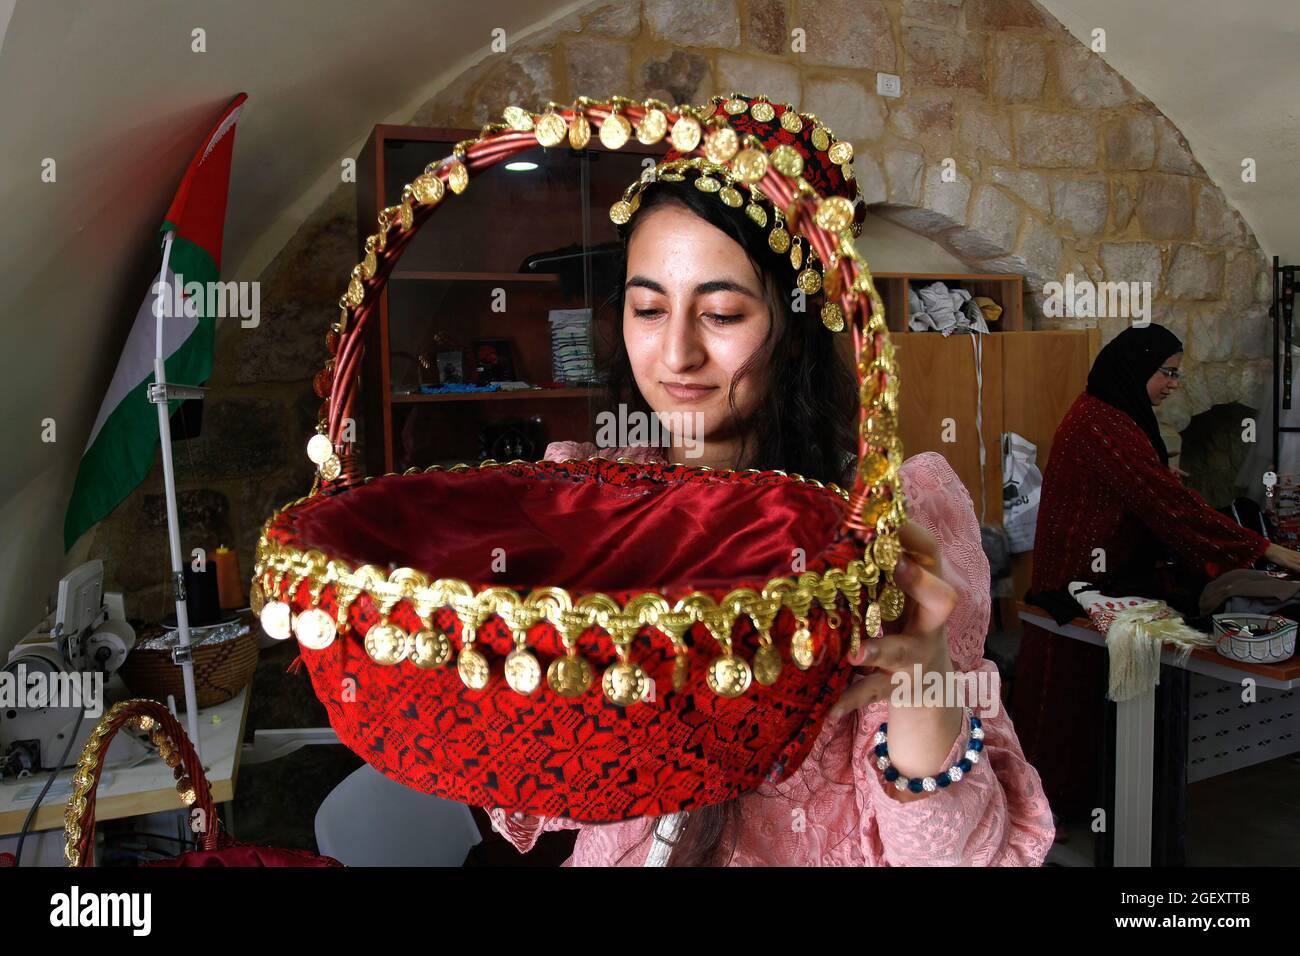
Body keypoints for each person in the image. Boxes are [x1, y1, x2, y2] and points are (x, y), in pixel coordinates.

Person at [488, 157, 1054, 865]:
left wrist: (925, 667)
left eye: (722, 313)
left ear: (795, 322)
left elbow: (953, 854)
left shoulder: (889, 518)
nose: (676, 353)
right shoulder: (588, 504)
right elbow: (539, 787)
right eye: (648, 308)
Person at [1010, 324, 1300, 823]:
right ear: (1133, 368)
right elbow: (1163, 503)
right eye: (1165, 372)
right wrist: (1266, 548)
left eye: (1177, 374)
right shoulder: (1101, 423)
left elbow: (1148, 486)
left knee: (1089, 704)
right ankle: (1043, 815)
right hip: (1080, 582)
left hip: (1096, 574)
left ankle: (1083, 805)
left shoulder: (1111, 413)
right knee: (1066, 702)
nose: (1171, 383)